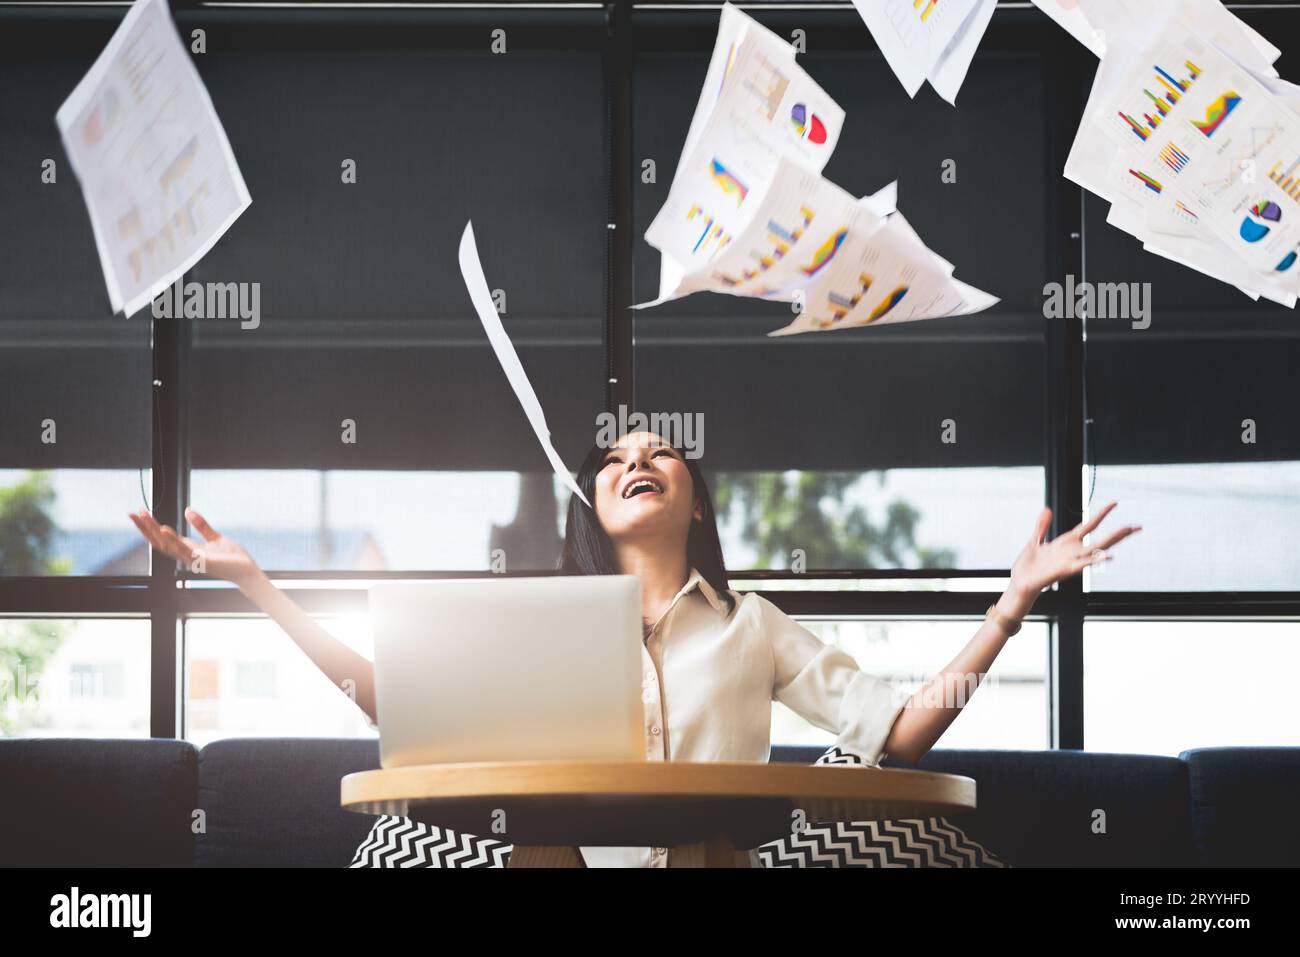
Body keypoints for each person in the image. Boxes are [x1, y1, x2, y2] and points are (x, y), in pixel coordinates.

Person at [128, 430, 1139, 868]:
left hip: (722, 862)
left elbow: (902, 735)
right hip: (555, 860)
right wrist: (261, 589)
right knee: (393, 848)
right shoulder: (537, 623)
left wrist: (1009, 606)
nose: (638, 460)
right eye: (614, 460)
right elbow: (395, 707)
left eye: (659, 453)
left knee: (933, 842)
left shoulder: (754, 624)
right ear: (594, 503)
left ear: (693, 496)